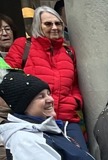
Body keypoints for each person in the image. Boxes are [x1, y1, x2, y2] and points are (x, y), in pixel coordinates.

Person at [5, 6, 82, 147]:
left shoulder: (69, 52)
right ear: (37, 26)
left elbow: (75, 84)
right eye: (48, 24)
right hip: (34, 122)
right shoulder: (23, 45)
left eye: (58, 23)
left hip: (67, 121)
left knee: (82, 157)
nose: (54, 27)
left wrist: (75, 102)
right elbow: (8, 80)